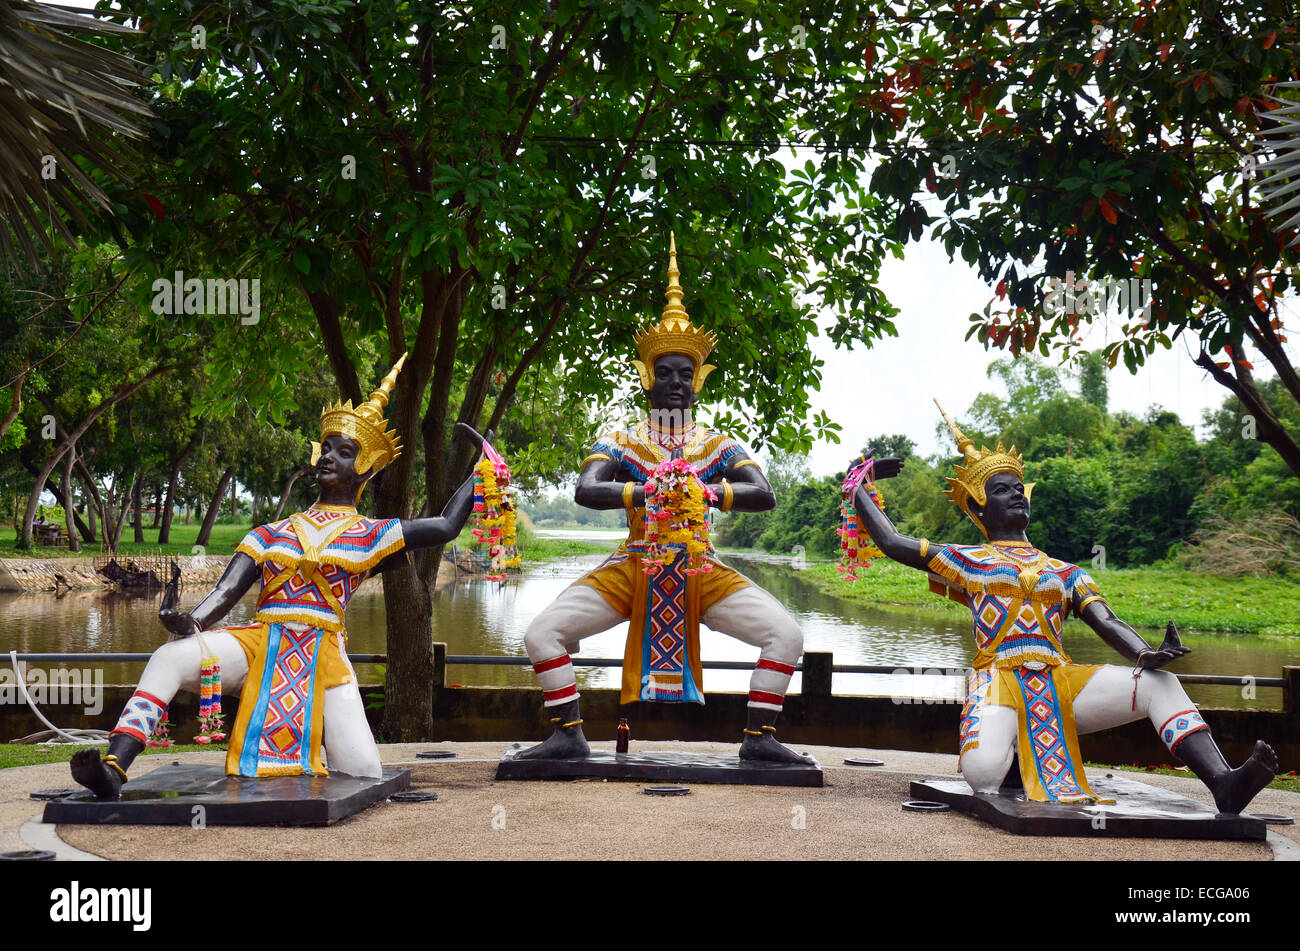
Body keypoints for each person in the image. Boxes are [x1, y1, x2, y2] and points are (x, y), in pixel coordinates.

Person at [71, 354, 491, 798]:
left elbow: (445, 525)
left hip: (324, 655)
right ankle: (114, 768)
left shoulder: (371, 534)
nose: (329, 457)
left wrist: (480, 472)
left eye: (343, 452)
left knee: (364, 774)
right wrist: (190, 622)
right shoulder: (271, 533)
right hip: (260, 641)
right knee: (169, 657)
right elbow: (226, 590)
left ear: (364, 469)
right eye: (326, 448)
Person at [848, 403, 1277, 812]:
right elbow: (893, 542)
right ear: (980, 506)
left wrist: (1145, 653)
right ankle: (1015, 757)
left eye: (1020, 489)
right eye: (1002, 491)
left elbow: (1106, 620)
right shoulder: (967, 559)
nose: (1016, 495)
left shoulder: (1065, 572)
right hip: (998, 679)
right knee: (983, 777)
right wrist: (859, 486)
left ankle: (1223, 782)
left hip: (1059, 682)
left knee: (1157, 683)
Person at [519, 235, 811, 765]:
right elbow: (585, 490)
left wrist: (705, 490)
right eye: (665, 372)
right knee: (541, 634)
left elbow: (763, 494)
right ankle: (569, 734)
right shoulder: (623, 440)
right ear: (647, 377)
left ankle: (759, 739)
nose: (675, 382)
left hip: (701, 567)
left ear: (698, 380)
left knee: (787, 636)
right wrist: (646, 488)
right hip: (633, 565)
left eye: (685, 373)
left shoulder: (718, 444)